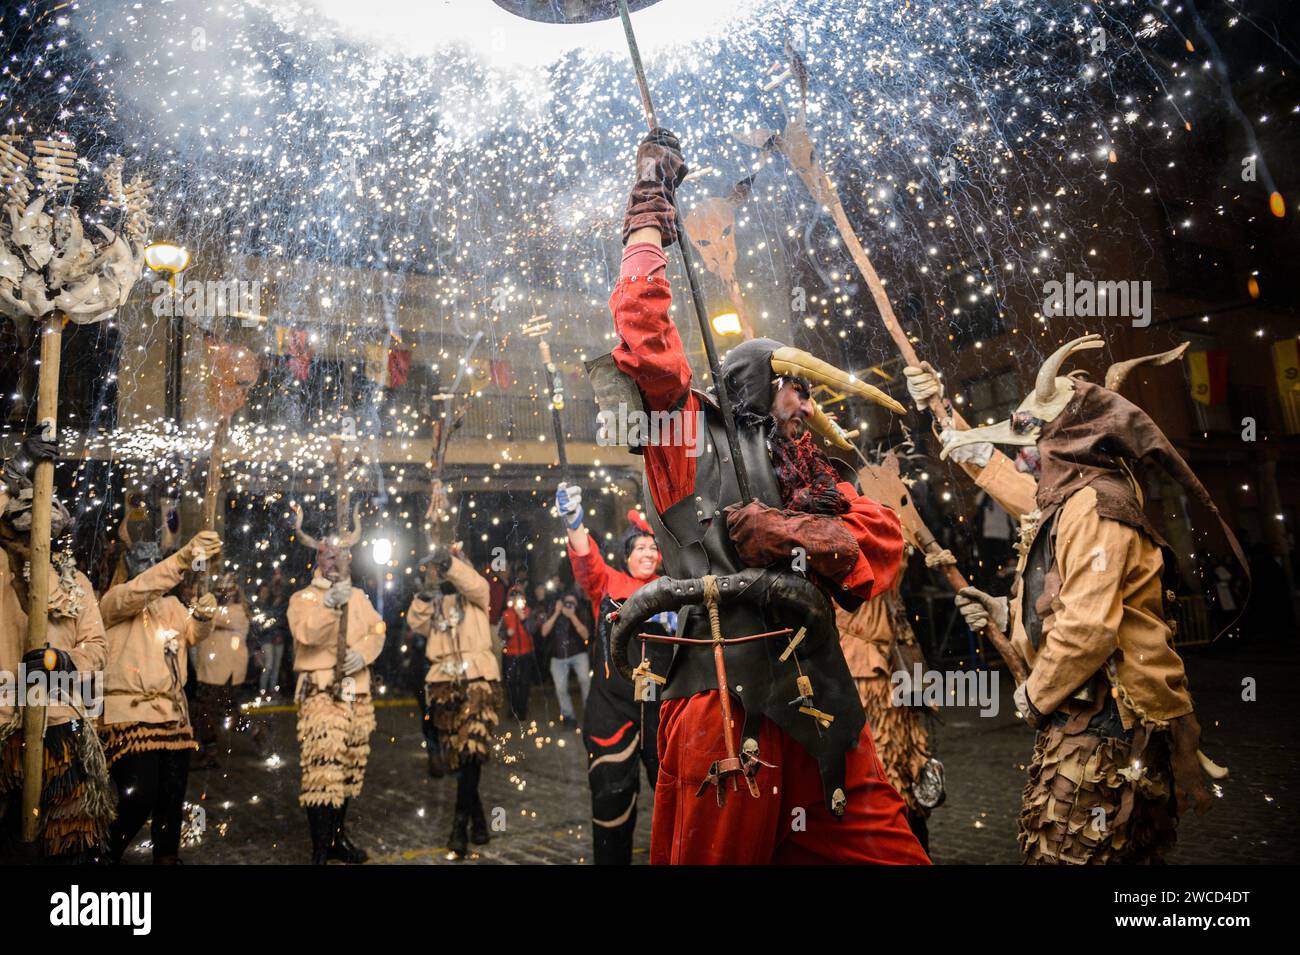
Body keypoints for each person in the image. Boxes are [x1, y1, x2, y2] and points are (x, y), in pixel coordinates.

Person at [599, 128, 929, 864]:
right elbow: (645, 332)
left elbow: (883, 542)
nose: (808, 405)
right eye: (794, 389)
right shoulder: (683, 435)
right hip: (723, 704)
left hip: (821, 701)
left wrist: (791, 529)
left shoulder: (808, 478)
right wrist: (649, 206)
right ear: (753, 392)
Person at [913, 337, 1244, 863]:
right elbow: (1002, 480)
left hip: (1111, 717)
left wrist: (1033, 693)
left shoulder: (1095, 505)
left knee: (1070, 851)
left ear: (1065, 439)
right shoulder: (1068, 498)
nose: (1029, 454)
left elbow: (1087, 627)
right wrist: (938, 406)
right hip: (1086, 716)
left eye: (1036, 439)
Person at [0, 447, 111, 861]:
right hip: (5, 727)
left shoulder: (75, 580)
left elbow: (98, 649)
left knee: (71, 844)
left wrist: (65, 663)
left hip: (63, 730)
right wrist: (18, 465)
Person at [557, 490, 672, 864]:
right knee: (611, 804)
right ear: (626, 555)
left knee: (679, 804)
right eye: (639, 548)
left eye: (653, 548)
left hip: (665, 715)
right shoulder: (607, 585)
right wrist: (574, 522)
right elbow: (586, 561)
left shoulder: (674, 591)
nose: (648, 554)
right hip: (612, 714)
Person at [99, 526, 220, 863]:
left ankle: (167, 860)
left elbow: (193, 634)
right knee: (140, 797)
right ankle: (103, 855)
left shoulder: (170, 606)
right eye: (143, 561)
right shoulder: (115, 600)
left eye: (155, 560)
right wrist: (182, 559)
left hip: (172, 716)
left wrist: (207, 614)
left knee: (171, 799)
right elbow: (144, 588)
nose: (150, 566)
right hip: (130, 715)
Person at [287, 504, 386, 864]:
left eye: (338, 556)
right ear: (318, 558)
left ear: (348, 558)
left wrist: (363, 653)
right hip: (322, 695)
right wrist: (329, 604)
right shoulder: (302, 599)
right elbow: (306, 634)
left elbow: (378, 629)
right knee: (322, 772)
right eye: (326, 556)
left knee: (348, 770)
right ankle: (319, 850)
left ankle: (337, 840)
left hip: (357, 694)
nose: (332, 562)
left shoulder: (359, 597)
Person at [407, 543, 500, 859]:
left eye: (454, 567)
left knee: (471, 751)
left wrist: (450, 561)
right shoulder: (439, 603)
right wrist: (425, 593)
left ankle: (459, 826)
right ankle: (479, 819)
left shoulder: (478, 595)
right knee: (457, 756)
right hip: (444, 683)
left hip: (476, 680)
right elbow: (415, 624)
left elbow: (473, 582)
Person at [192, 572, 252, 768]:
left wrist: (197, 598)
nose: (223, 595)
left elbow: (211, 615)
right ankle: (255, 734)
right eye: (220, 591)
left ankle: (210, 754)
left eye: (226, 591)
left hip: (226, 672)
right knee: (221, 712)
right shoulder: (217, 609)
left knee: (213, 713)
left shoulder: (238, 611)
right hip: (211, 671)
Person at [540, 586, 590, 722]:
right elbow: (544, 632)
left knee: (585, 681)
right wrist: (556, 613)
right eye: (566, 603)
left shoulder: (581, 613)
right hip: (558, 657)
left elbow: (586, 635)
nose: (569, 605)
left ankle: (589, 714)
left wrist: (572, 616)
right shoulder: (554, 612)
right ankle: (568, 716)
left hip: (578, 654)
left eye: (572, 603)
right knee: (561, 688)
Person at [498, 583, 541, 720]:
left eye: (518, 595)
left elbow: (532, 630)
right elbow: (500, 633)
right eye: (513, 595)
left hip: (526, 652)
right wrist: (506, 634)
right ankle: (513, 709)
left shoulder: (529, 612)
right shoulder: (505, 614)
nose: (516, 598)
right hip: (511, 653)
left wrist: (522, 617)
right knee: (511, 683)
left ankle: (522, 710)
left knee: (524, 682)